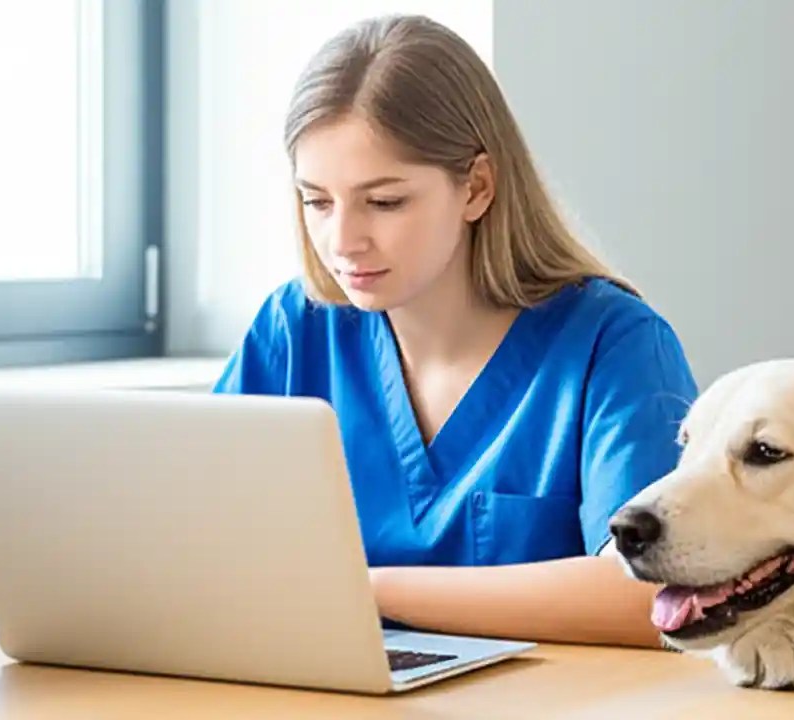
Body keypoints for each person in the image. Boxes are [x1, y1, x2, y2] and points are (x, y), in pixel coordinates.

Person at [214, 13, 698, 648]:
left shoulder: (614, 345)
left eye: (384, 202)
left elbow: (651, 598)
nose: (343, 241)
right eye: (317, 201)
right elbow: (197, 540)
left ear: (475, 187)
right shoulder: (293, 331)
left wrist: (368, 590)